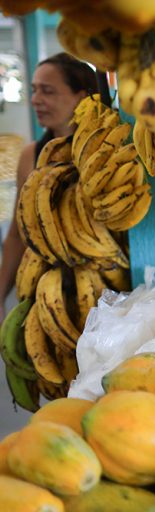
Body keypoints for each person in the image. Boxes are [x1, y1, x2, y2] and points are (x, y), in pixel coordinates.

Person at [0, 53, 97, 321]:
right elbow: (17, 235)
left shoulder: (103, 158)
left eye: (48, 91)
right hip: (44, 292)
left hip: (100, 291)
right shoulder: (30, 155)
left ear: (80, 96)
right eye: (33, 90)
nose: (35, 100)